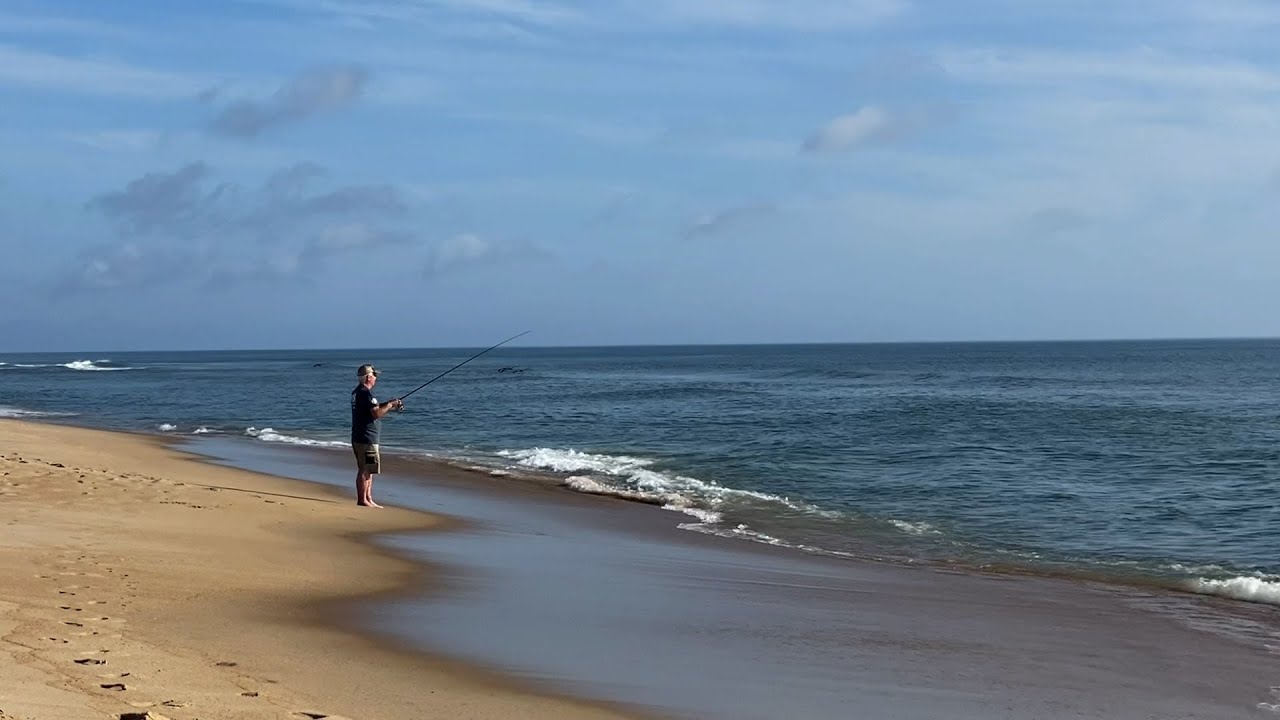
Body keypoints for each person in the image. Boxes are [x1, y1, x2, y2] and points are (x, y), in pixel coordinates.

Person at [350, 364, 404, 507]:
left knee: (369, 469)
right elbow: (376, 413)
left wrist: (390, 404)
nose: (376, 379)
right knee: (366, 468)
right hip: (367, 438)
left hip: (361, 437)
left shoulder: (358, 392)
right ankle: (363, 500)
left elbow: (373, 408)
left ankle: (368, 498)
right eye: (374, 376)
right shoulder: (366, 393)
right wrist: (390, 405)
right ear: (368, 377)